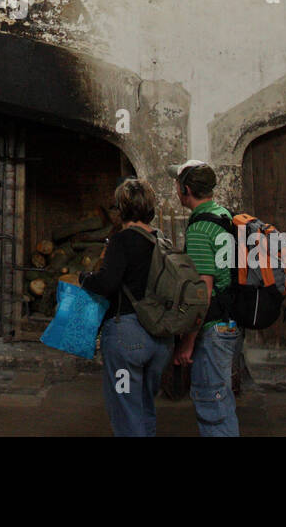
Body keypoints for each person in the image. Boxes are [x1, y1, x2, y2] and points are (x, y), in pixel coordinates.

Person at [80, 177, 174, 436]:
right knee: (144, 407)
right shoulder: (162, 241)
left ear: (122, 208)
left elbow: (108, 283)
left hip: (128, 337)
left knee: (125, 413)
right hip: (161, 340)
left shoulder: (121, 241)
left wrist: (85, 279)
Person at [169, 159, 241, 437]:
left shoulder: (199, 229)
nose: (176, 190)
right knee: (221, 401)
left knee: (213, 406)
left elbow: (203, 291)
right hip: (230, 320)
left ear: (185, 189)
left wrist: (187, 343)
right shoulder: (223, 215)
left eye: (177, 185)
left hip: (212, 327)